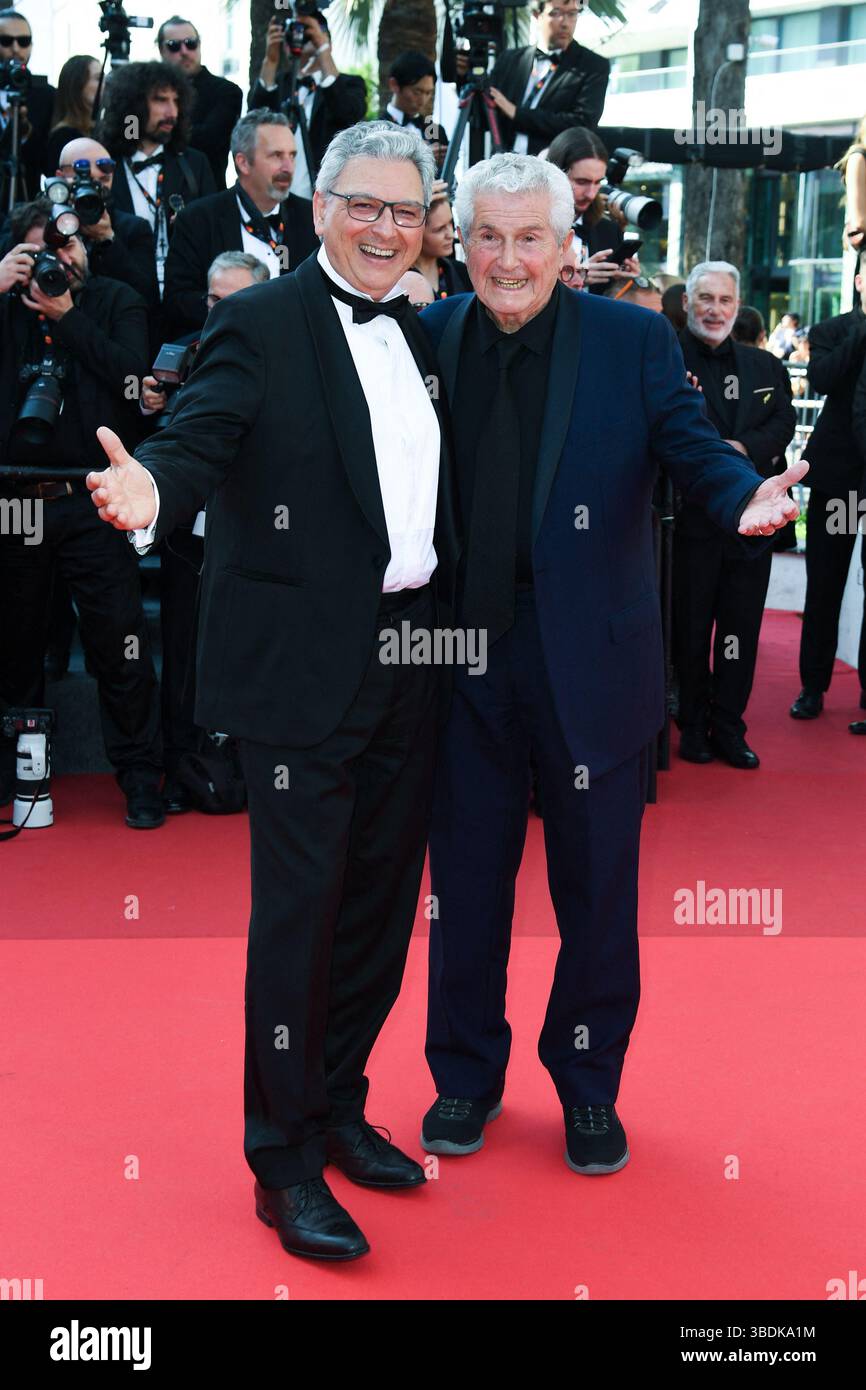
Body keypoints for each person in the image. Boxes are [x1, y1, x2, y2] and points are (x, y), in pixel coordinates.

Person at [86, 122, 458, 1262]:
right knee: (298, 921)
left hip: (413, 657)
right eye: (364, 206)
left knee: (381, 910)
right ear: (315, 206)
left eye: (405, 210)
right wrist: (153, 489)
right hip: (299, 672)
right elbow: (195, 443)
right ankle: (281, 1157)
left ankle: (338, 1107)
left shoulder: (427, 330)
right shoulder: (257, 321)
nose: (385, 229)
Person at [415, 155, 804, 1171]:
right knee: (463, 888)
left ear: (565, 246)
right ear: (459, 242)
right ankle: (463, 1076)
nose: (507, 259)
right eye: (486, 236)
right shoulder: (428, 335)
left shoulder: (631, 339)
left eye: (528, 237)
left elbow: (690, 441)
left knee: (597, 895)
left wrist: (738, 496)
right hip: (459, 661)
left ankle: (587, 1085)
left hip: (591, 658)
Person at [0, 198, 163, 828]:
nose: (56, 262)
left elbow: (134, 386)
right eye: (41, 252)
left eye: (67, 248)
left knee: (119, 647)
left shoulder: (114, 301)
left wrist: (67, 319)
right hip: (17, 502)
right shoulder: (7, 310)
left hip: (92, 498)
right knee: (14, 647)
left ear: (86, 250)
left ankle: (141, 776)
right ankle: (18, 774)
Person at [139, 250, 270, 814]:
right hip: (189, 538)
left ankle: (254, 771)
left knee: (258, 653)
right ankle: (180, 768)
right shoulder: (185, 350)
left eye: (235, 299)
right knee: (183, 649)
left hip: (261, 533)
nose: (222, 310)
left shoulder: (281, 348)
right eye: (215, 298)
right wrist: (153, 404)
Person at [675, 262, 797, 769]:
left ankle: (728, 725)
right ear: (687, 303)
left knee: (738, 631)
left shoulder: (765, 367)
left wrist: (740, 447)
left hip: (753, 527)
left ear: (738, 305)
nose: (715, 309)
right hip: (688, 523)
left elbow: (784, 420)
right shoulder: (665, 357)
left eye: (725, 300)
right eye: (705, 298)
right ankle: (691, 725)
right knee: (688, 628)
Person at [163, 110, 318, 336]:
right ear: (243, 163)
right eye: (276, 155)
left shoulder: (312, 217)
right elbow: (177, 301)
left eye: (292, 155)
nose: (288, 167)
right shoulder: (198, 220)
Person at [792, 255, 866, 724]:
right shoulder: (834, 330)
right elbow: (821, 379)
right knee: (825, 585)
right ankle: (812, 687)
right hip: (840, 484)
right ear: (860, 281)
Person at [95, 60, 216, 297]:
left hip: (181, 297)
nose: (172, 112)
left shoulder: (195, 163)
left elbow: (213, 235)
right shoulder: (104, 163)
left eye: (176, 100)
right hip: (122, 295)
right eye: (160, 100)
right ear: (133, 104)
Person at [248, 9, 367, 200]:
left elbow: (347, 114)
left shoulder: (348, 84)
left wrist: (323, 50)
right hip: (275, 198)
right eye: (293, 32)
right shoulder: (278, 84)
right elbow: (253, 125)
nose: (300, 37)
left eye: (308, 32)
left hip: (325, 198)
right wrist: (270, 60)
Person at [486, 0, 610, 157]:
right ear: (537, 15)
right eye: (556, 13)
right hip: (502, 166)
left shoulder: (593, 65)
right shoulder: (510, 60)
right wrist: (463, 75)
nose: (565, 23)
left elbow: (582, 124)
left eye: (572, 14)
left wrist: (517, 113)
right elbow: (485, 110)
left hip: (553, 169)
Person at [55, 137, 160, 311]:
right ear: (60, 177)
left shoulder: (134, 229)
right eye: (84, 179)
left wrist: (108, 239)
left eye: (103, 180)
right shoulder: (39, 222)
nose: (93, 188)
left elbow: (147, 298)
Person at [545, 126, 640, 294]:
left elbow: (611, 300)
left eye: (598, 183)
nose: (591, 194)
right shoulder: (532, 226)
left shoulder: (608, 230)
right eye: (582, 182)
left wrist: (626, 283)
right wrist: (576, 276)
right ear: (555, 175)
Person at [156, 14, 242, 191]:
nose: (184, 51)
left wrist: (158, 130)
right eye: (174, 46)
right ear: (161, 50)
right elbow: (132, 136)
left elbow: (209, 140)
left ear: (199, 45)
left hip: (207, 195)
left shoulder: (226, 91)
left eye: (190, 43)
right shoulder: (147, 93)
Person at [0, 6, 56, 199]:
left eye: (23, 41)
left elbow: (50, 162)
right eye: (6, 41)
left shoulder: (47, 96)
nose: (15, 48)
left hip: (26, 202)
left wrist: (25, 132)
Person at [380, 51, 448, 171]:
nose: (423, 100)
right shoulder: (377, 130)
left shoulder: (435, 130)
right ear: (394, 85)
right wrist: (421, 158)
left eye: (428, 93)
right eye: (417, 92)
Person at [41, 55, 101, 178]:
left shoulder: (100, 127)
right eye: (98, 78)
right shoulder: (62, 137)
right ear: (78, 85)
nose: (104, 84)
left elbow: (132, 143)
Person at [412, 194, 470, 298]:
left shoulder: (462, 272)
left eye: (450, 223)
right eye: (440, 229)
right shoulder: (397, 280)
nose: (451, 235)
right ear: (417, 233)